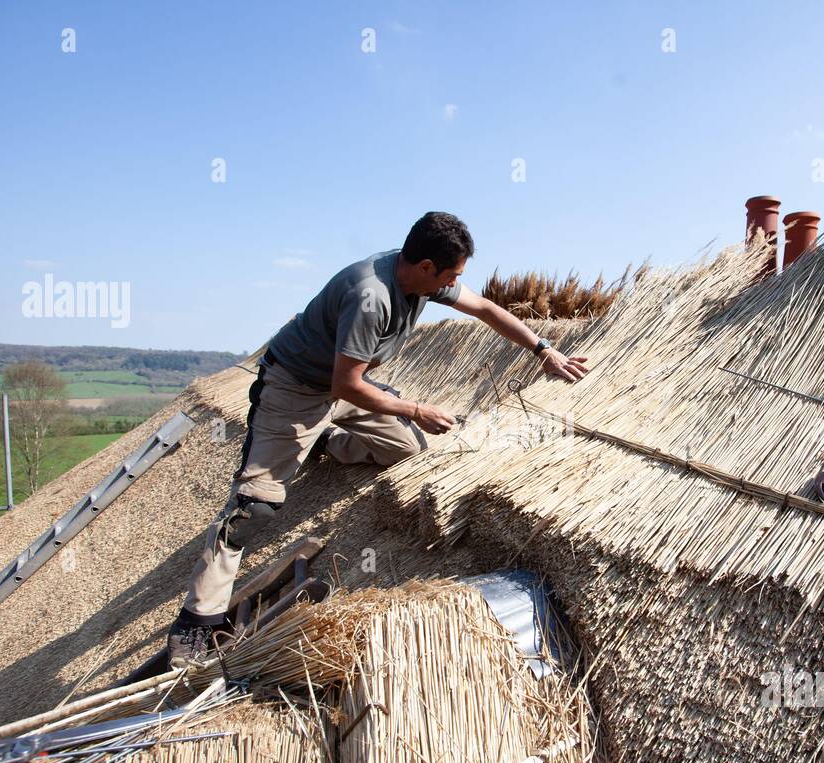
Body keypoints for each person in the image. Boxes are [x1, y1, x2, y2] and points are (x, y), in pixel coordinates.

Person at [168, 211, 590, 665]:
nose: (455, 283)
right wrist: (414, 409)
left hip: (349, 385)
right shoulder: (371, 295)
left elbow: (486, 309)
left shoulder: (424, 278)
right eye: (451, 274)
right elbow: (344, 386)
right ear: (426, 267)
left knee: (409, 450)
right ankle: (196, 620)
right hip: (296, 389)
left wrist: (543, 350)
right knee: (255, 508)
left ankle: (325, 442)